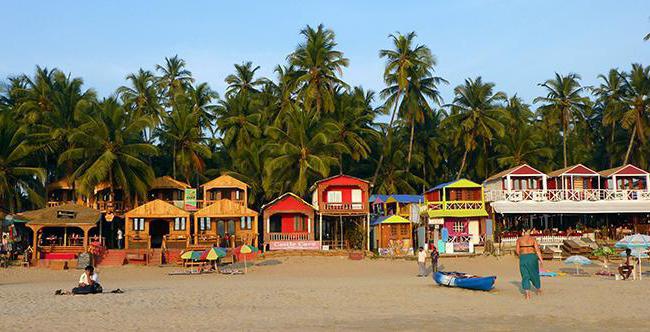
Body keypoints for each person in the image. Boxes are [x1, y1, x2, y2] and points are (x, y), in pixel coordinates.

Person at [516, 230, 543, 300]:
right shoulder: (533, 239)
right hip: (532, 257)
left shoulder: (519, 239)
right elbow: (537, 250)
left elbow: (517, 251)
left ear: (523, 232)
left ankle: (527, 295)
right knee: (535, 274)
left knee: (525, 275)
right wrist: (541, 260)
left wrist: (521, 256)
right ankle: (538, 289)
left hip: (523, 257)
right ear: (530, 232)